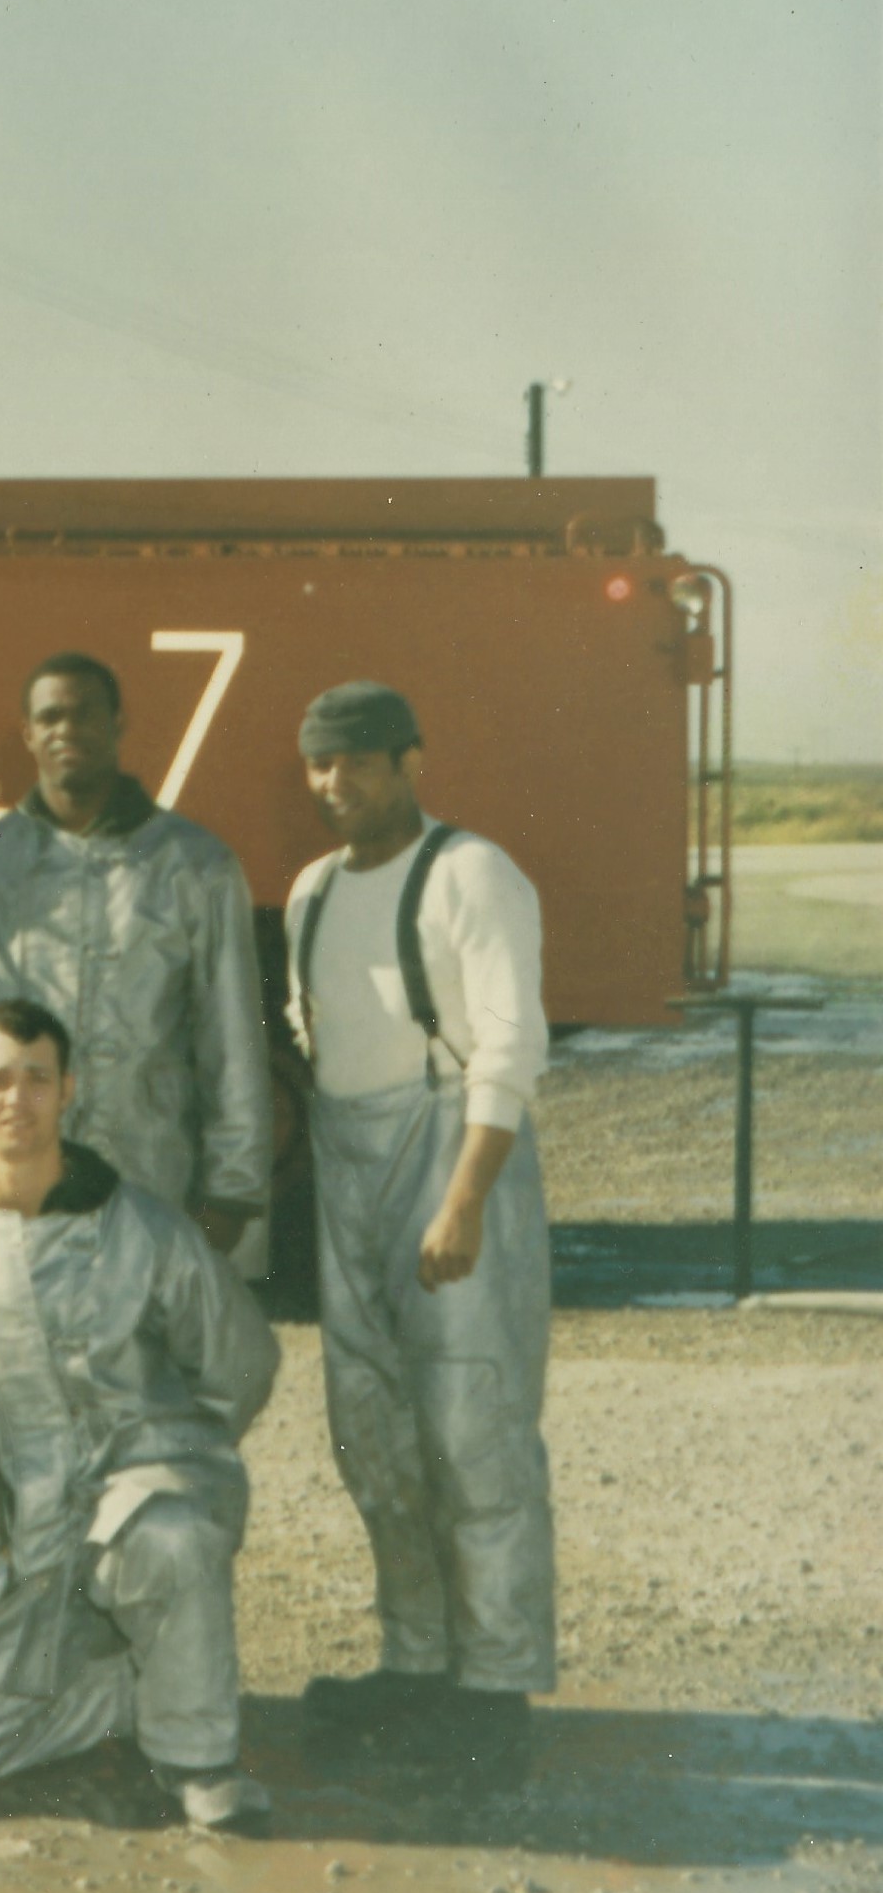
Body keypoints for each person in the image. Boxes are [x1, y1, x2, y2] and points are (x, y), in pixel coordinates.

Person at [0, 1000, 278, 1831]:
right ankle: (134, 1689)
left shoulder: (146, 1230)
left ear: (69, 1089)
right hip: (5, 1531)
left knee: (170, 1535)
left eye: (37, 1078)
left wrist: (179, 1464)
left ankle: (197, 1757)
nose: (17, 1099)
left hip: (128, 1495)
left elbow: (240, 1360)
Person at [286, 681, 554, 1774]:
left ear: (411, 761)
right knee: (375, 1436)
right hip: (349, 1174)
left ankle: (493, 1686)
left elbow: (509, 1047)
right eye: (319, 763)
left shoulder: (471, 874)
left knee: (472, 1430)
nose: (335, 782)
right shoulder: (310, 891)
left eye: (358, 760)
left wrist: (465, 1199)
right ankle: (415, 1659)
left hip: (451, 1163)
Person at [0, 653, 273, 1250]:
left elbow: (231, 1035)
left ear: (117, 724)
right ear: (27, 733)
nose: (67, 730)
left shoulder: (195, 867)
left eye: (85, 714)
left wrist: (234, 1190)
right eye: (50, 717)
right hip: (14, 1194)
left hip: (152, 1183)